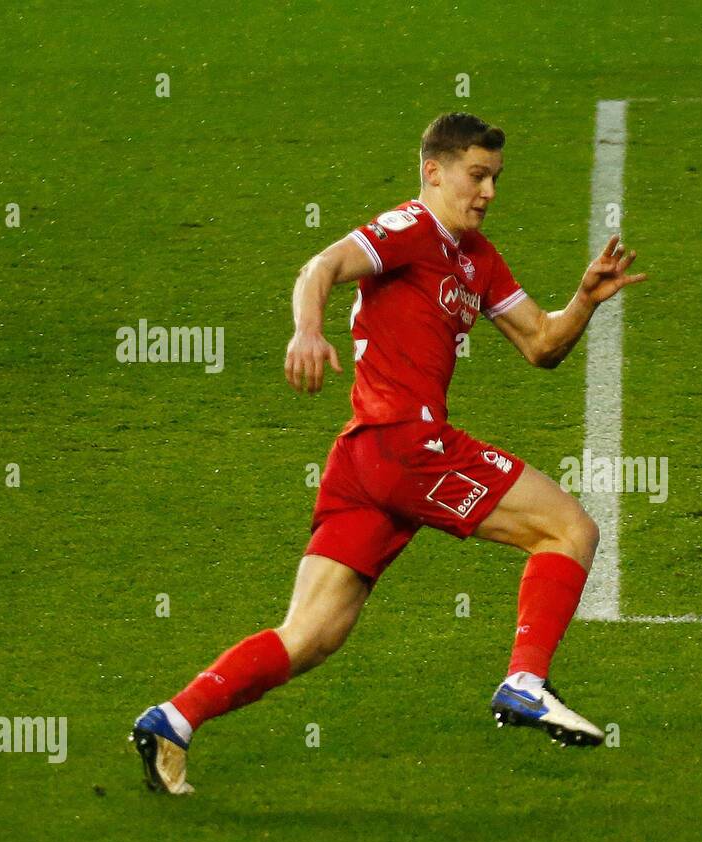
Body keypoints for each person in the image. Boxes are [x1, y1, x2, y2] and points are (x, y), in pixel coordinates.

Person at [130, 112, 646, 794]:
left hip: (367, 461)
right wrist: (306, 332)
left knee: (311, 635)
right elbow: (322, 265)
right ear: (433, 171)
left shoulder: (478, 258)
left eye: (494, 178)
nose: (488, 192)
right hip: (408, 444)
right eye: (476, 175)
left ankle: (173, 719)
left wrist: (583, 301)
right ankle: (524, 681)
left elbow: (541, 346)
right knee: (569, 528)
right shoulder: (410, 229)